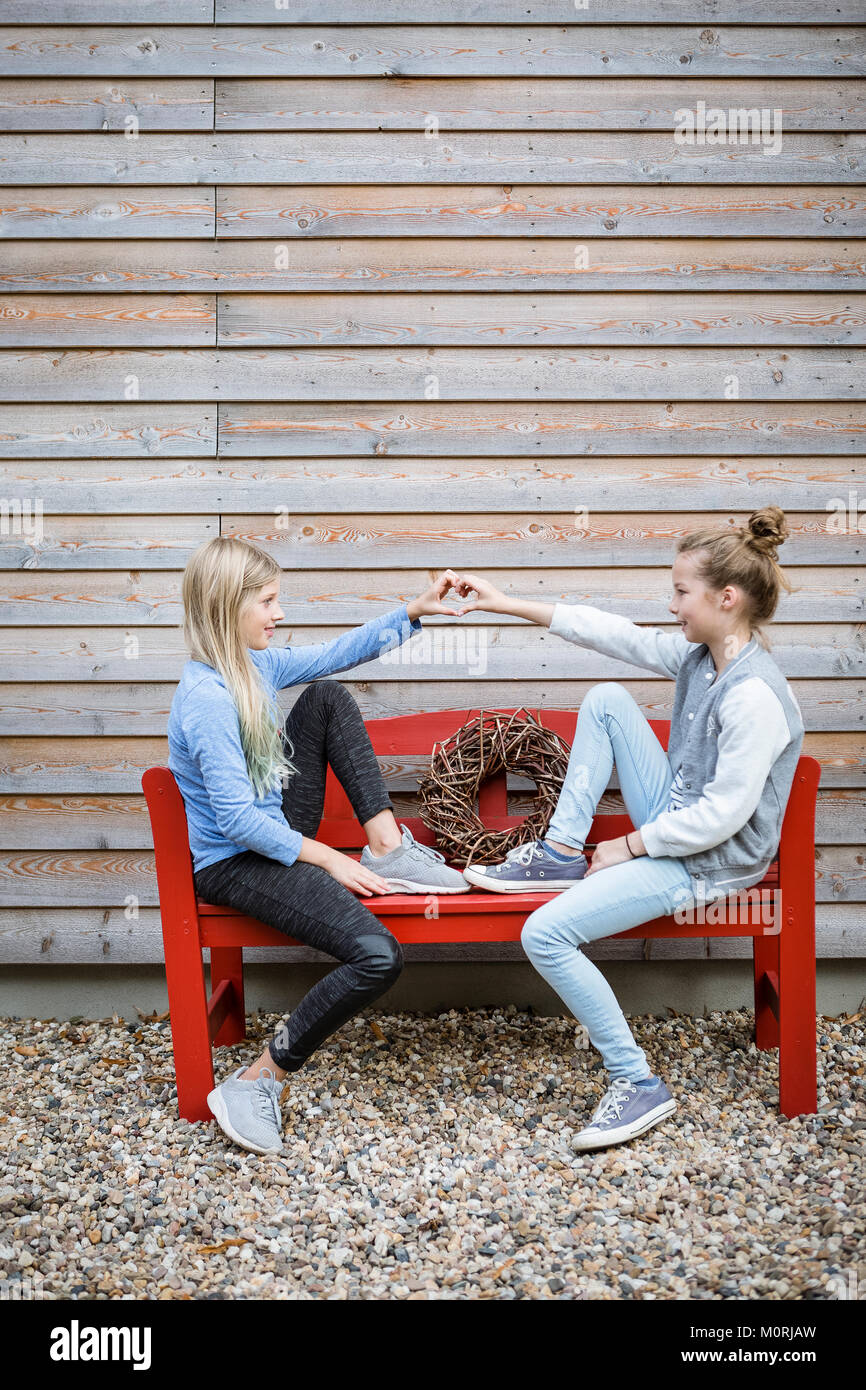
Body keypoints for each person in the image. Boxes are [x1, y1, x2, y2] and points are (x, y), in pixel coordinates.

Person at [450, 506, 805, 1152]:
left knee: (545, 932)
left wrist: (631, 844)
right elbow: (612, 634)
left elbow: (724, 816)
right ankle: (560, 850)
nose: (671, 607)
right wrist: (508, 604)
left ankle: (635, 1080)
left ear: (726, 599)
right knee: (608, 696)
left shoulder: (753, 695)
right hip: (676, 820)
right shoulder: (702, 659)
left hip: (708, 860)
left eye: (679, 592)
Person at [167, 536, 469, 1155]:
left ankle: (386, 846)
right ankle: (258, 1080)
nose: (280, 614)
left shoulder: (252, 667)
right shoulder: (206, 701)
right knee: (377, 957)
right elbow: (237, 824)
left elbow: (338, 652)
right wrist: (330, 857)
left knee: (327, 696)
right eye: (269, 602)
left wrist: (414, 612)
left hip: (274, 826)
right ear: (229, 606)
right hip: (234, 861)